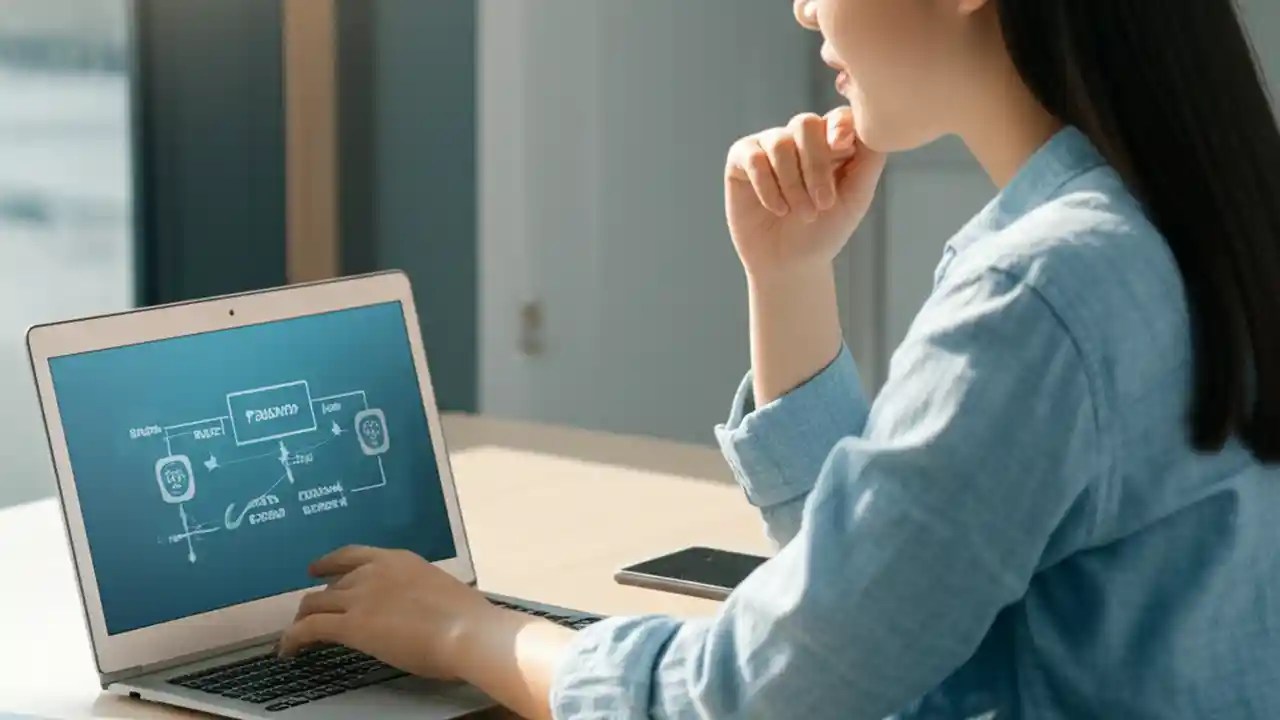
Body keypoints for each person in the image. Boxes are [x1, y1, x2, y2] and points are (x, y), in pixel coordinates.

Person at [278, 0, 1280, 716]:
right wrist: (787, 276)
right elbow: (878, 597)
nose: (803, 10)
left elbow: (761, 697)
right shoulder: (1178, 228)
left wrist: (469, 635)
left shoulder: (1041, 294)